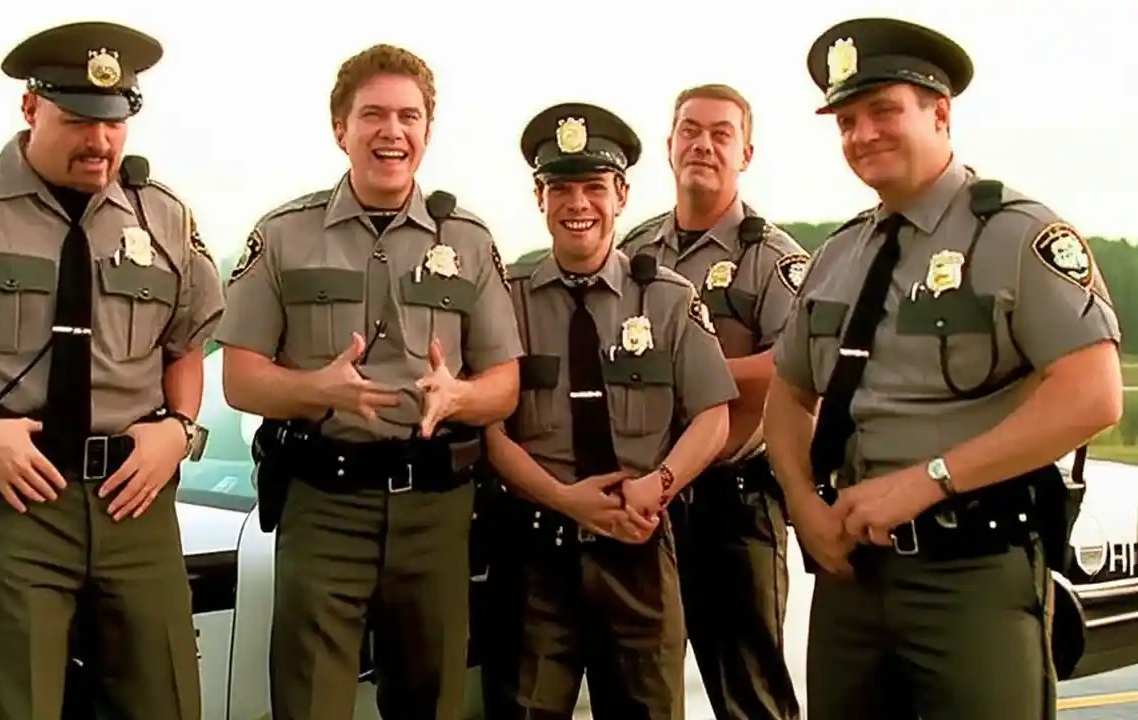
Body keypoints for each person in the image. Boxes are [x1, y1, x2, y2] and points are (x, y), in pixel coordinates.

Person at [0, 20, 223, 720]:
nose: (101, 141)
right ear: (31, 108)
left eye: (116, 122)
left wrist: (178, 429)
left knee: (167, 702)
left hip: (137, 503)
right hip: (16, 501)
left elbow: (185, 344)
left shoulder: (163, 215)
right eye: (80, 119)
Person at [763, 16, 1123, 720]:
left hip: (972, 574)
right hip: (851, 580)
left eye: (883, 112)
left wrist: (930, 481)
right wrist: (805, 507)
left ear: (940, 111)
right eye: (847, 121)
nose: (862, 135)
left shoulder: (1017, 234)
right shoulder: (838, 256)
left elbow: (1093, 395)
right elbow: (788, 397)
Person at [214, 44, 523, 720]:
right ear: (340, 129)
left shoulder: (467, 239)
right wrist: (318, 390)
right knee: (310, 702)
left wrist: (460, 396)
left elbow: (504, 383)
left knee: (431, 701)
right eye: (374, 115)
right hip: (324, 505)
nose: (393, 132)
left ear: (427, 132)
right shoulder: (285, 236)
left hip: (435, 512)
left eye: (409, 116)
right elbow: (240, 380)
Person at [480, 101, 738, 719]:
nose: (578, 205)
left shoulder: (670, 299)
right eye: (561, 188)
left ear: (621, 195)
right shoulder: (505, 300)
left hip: (639, 551)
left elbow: (714, 415)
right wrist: (565, 499)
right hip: (536, 555)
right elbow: (490, 429)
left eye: (594, 187)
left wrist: (660, 483)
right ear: (538, 197)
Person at [617, 83, 803, 720]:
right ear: (669, 146)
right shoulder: (633, 251)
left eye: (721, 134)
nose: (703, 144)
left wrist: (696, 369)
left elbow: (795, 362)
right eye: (689, 131)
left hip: (733, 502)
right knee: (645, 689)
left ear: (745, 152)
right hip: (647, 501)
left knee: (749, 695)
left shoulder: (770, 258)